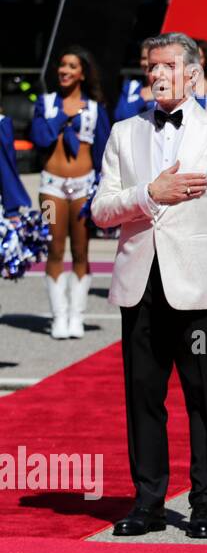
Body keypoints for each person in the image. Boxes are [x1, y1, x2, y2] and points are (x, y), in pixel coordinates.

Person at [90, 32, 207, 539]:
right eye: (149, 67)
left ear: (193, 74)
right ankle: (148, 503)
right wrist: (148, 193)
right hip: (140, 286)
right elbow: (100, 210)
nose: (155, 75)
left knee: (204, 399)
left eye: (164, 66)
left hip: (199, 289)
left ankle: (205, 504)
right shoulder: (122, 132)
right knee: (143, 397)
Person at [31, 46, 110, 339]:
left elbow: (103, 151)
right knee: (54, 248)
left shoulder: (95, 108)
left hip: (83, 188)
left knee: (80, 250)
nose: (65, 70)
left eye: (72, 66)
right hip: (51, 187)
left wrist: (105, 186)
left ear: (82, 73)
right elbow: (39, 137)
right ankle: (58, 317)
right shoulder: (46, 103)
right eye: (62, 65)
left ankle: (77, 315)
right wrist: (63, 117)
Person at [113, 42, 154, 122]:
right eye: (143, 58)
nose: (146, 63)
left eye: (151, 59)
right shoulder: (131, 86)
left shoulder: (167, 89)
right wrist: (141, 100)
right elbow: (119, 116)